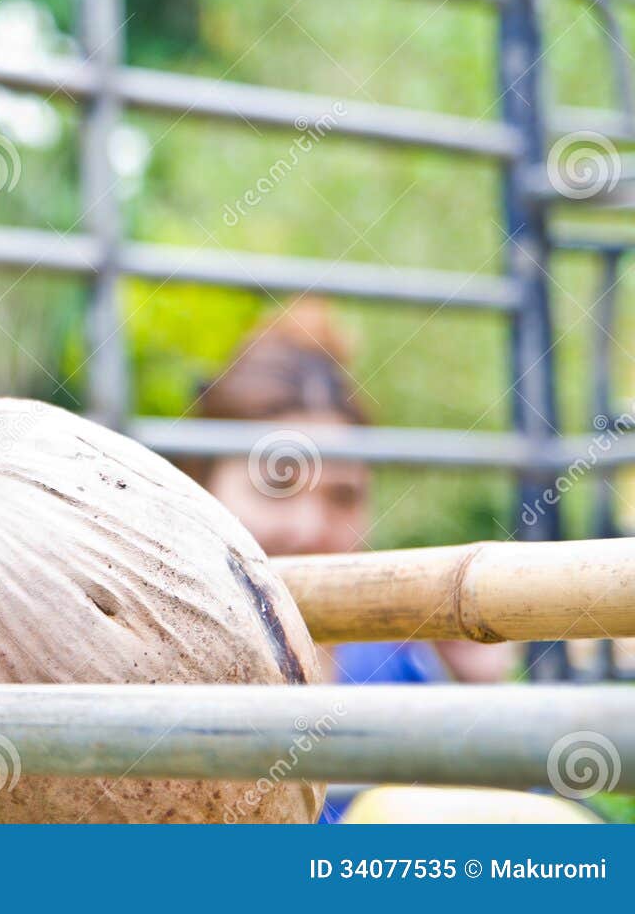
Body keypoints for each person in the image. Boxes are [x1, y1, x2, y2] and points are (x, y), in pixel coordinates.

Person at [185, 300, 520, 822]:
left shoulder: (400, 660)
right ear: (203, 486)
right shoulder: (154, 664)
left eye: (343, 496)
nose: (310, 530)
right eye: (277, 486)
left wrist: (481, 697)